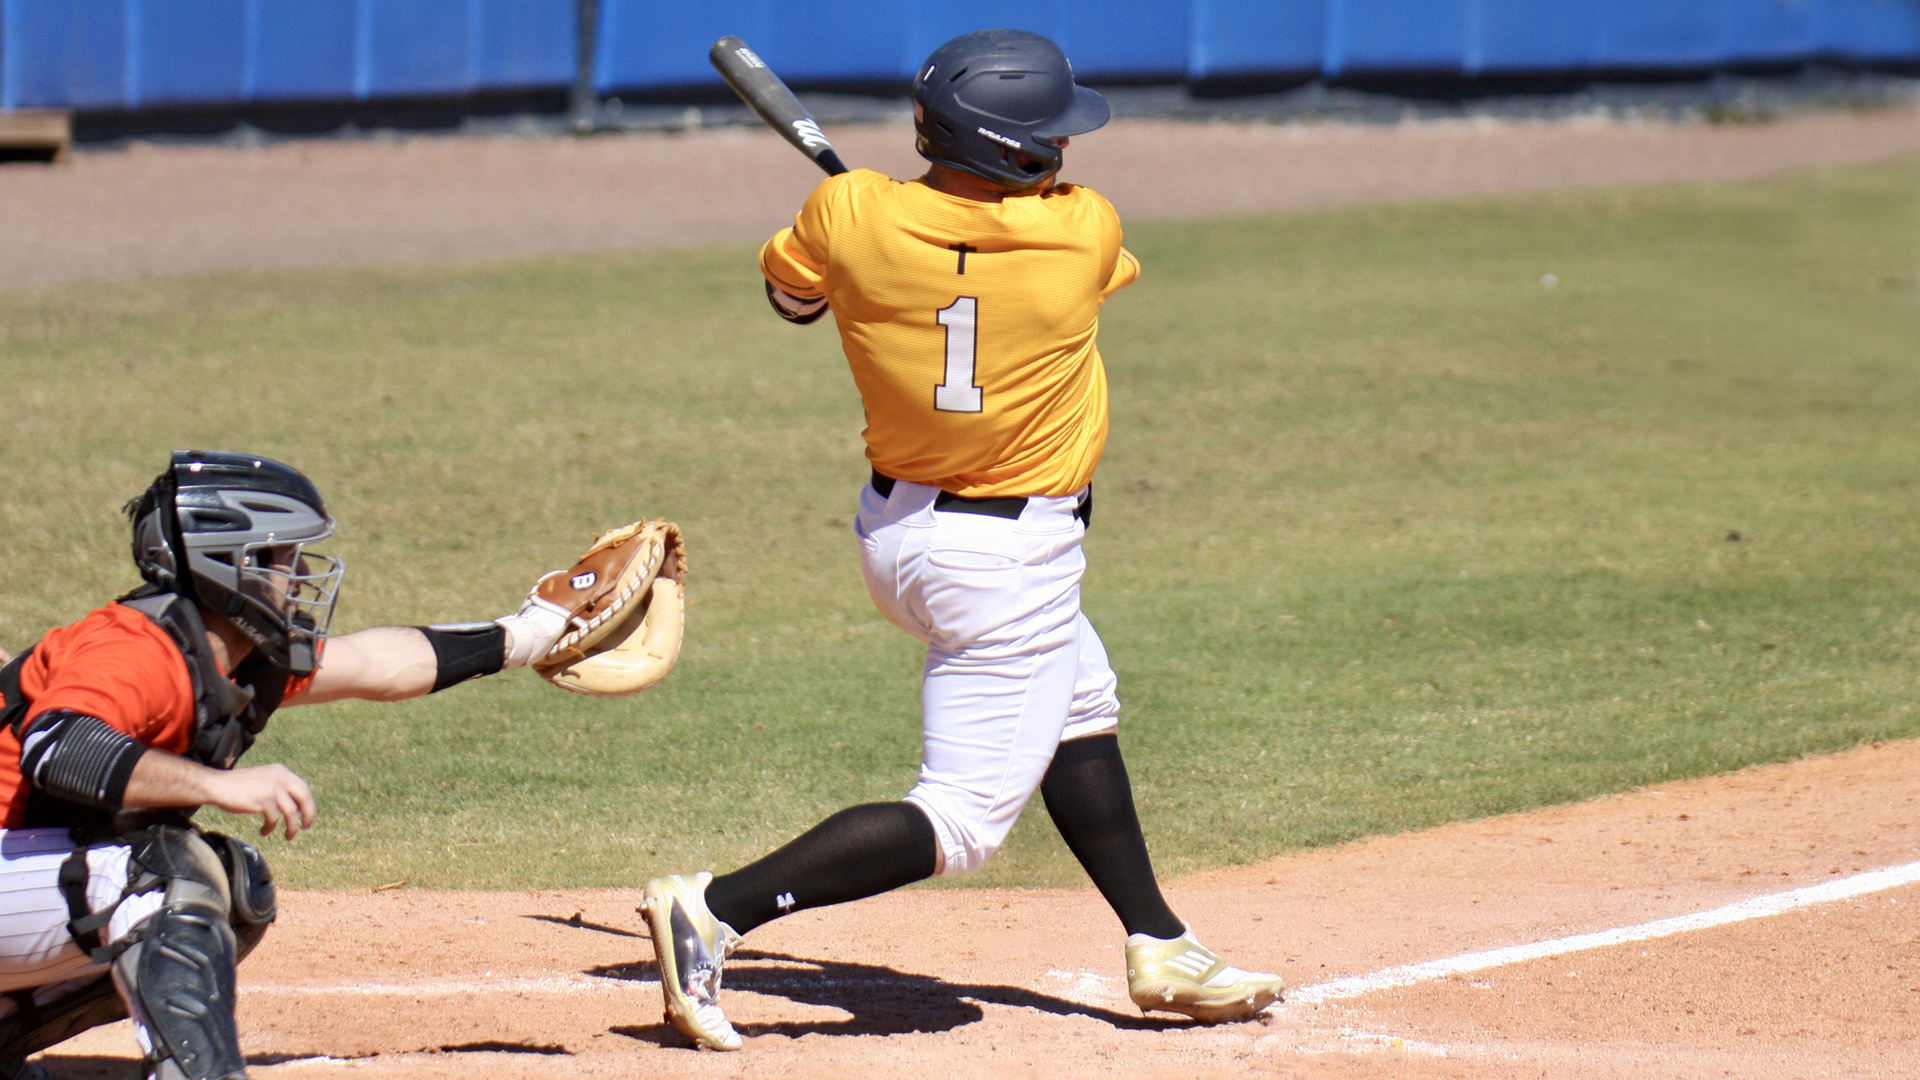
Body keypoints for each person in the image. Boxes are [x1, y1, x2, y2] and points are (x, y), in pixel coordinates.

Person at [640, 29, 1284, 1051]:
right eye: (1051, 139)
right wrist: (932, 235)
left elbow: (792, 296)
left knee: (1080, 701)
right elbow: (1012, 264)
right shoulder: (1082, 233)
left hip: (901, 536)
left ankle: (1161, 941)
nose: (1067, 152)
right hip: (1004, 560)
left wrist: (883, 229)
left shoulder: (846, 211)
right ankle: (716, 908)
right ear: (1024, 154)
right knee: (963, 822)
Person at [0, 450, 576, 1080]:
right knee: (163, 876)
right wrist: (217, 785)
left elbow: (376, 664)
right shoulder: (134, 650)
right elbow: (58, 748)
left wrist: (531, 634)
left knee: (236, 889)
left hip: (20, 880)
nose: (301, 572)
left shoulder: (236, 654)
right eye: (281, 557)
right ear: (227, 565)